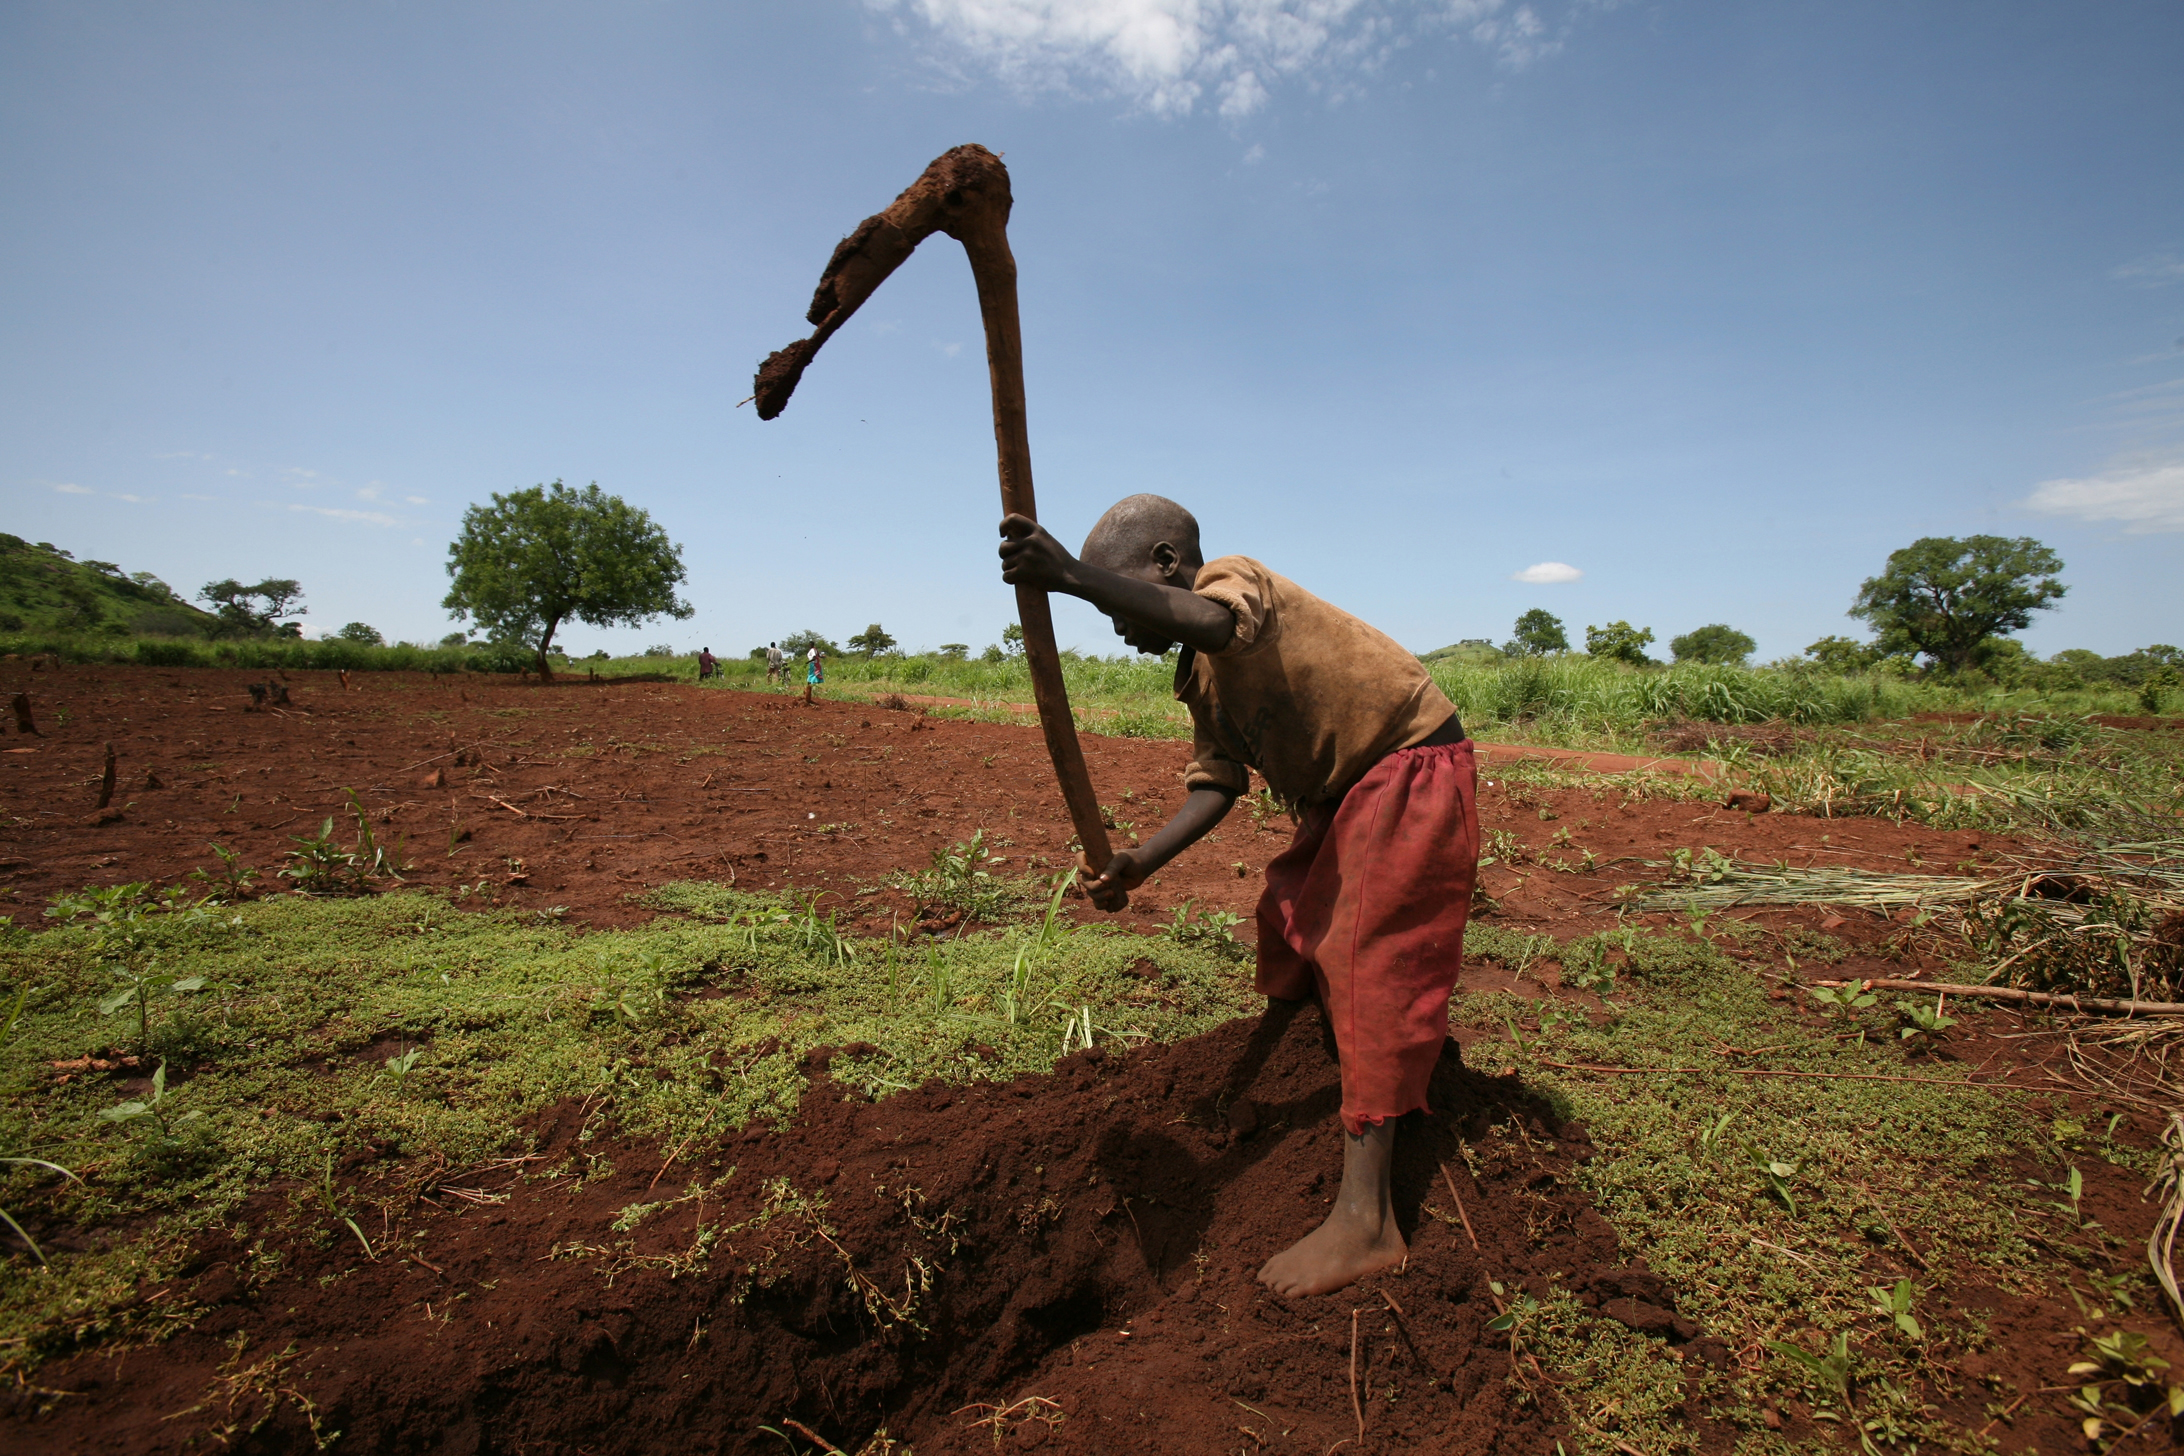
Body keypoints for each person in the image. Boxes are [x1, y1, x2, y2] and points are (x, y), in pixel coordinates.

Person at [998, 494, 1478, 1299]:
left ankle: (1368, 1220)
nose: (1117, 624)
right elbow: (1216, 783)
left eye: (1121, 595)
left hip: (1406, 766)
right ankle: (1326, 1075)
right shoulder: (1199, 678)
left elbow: (1217, 622)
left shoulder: (1235, 585)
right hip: (1339, 796)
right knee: (1289, 924)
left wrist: (1071, 578)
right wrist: (1138, 862)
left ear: (1164, 565)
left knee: (1366, 960)